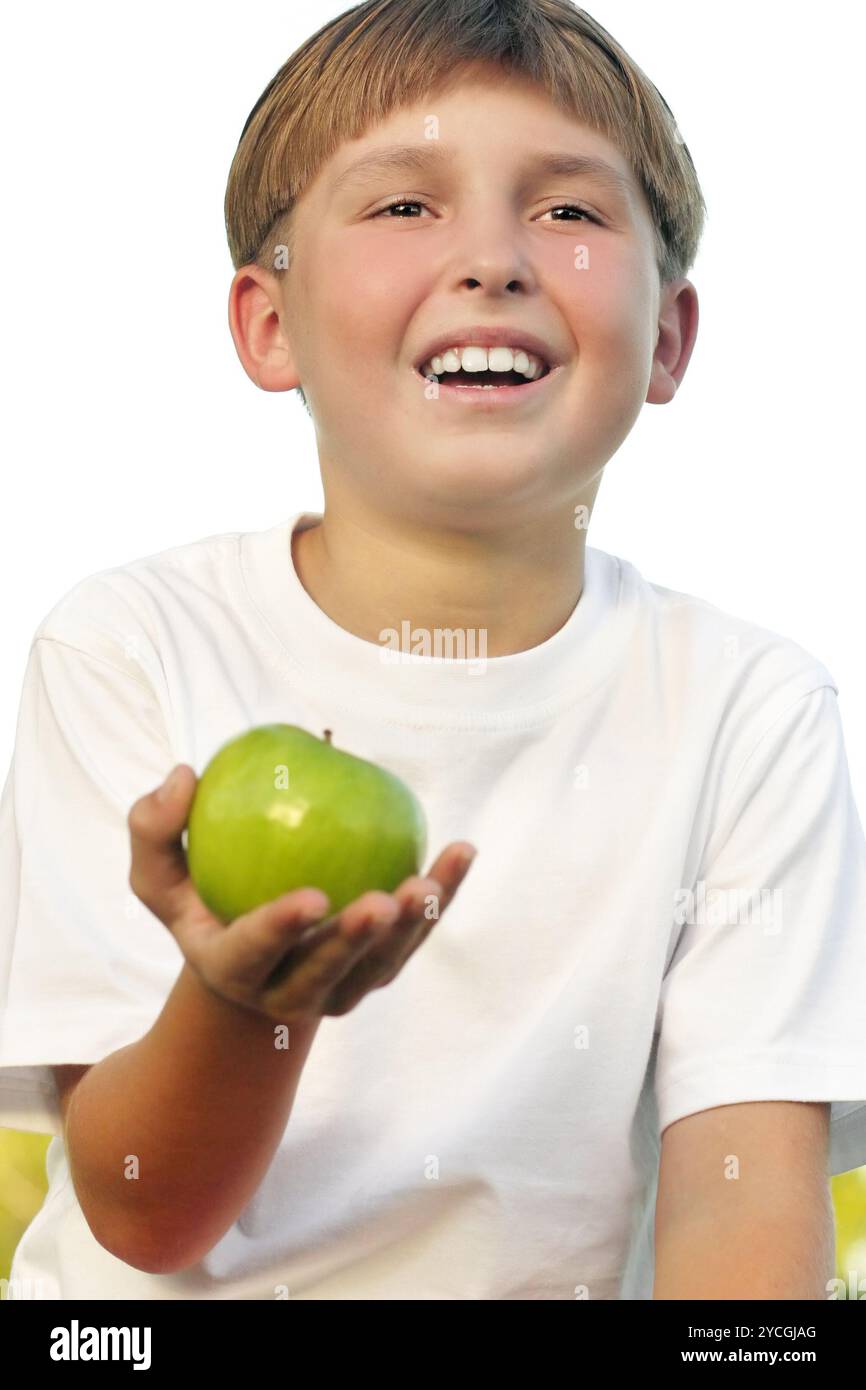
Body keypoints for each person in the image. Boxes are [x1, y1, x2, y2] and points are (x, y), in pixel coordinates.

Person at [2, 0, 864, 1301]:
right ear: (267, 323)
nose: (493, 259)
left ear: (669, 338)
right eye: (403, 206)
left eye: (569, 211)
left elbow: (739, 1204)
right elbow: (144, 1218)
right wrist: (249, 1006)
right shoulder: (129, 645)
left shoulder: (750, 706)